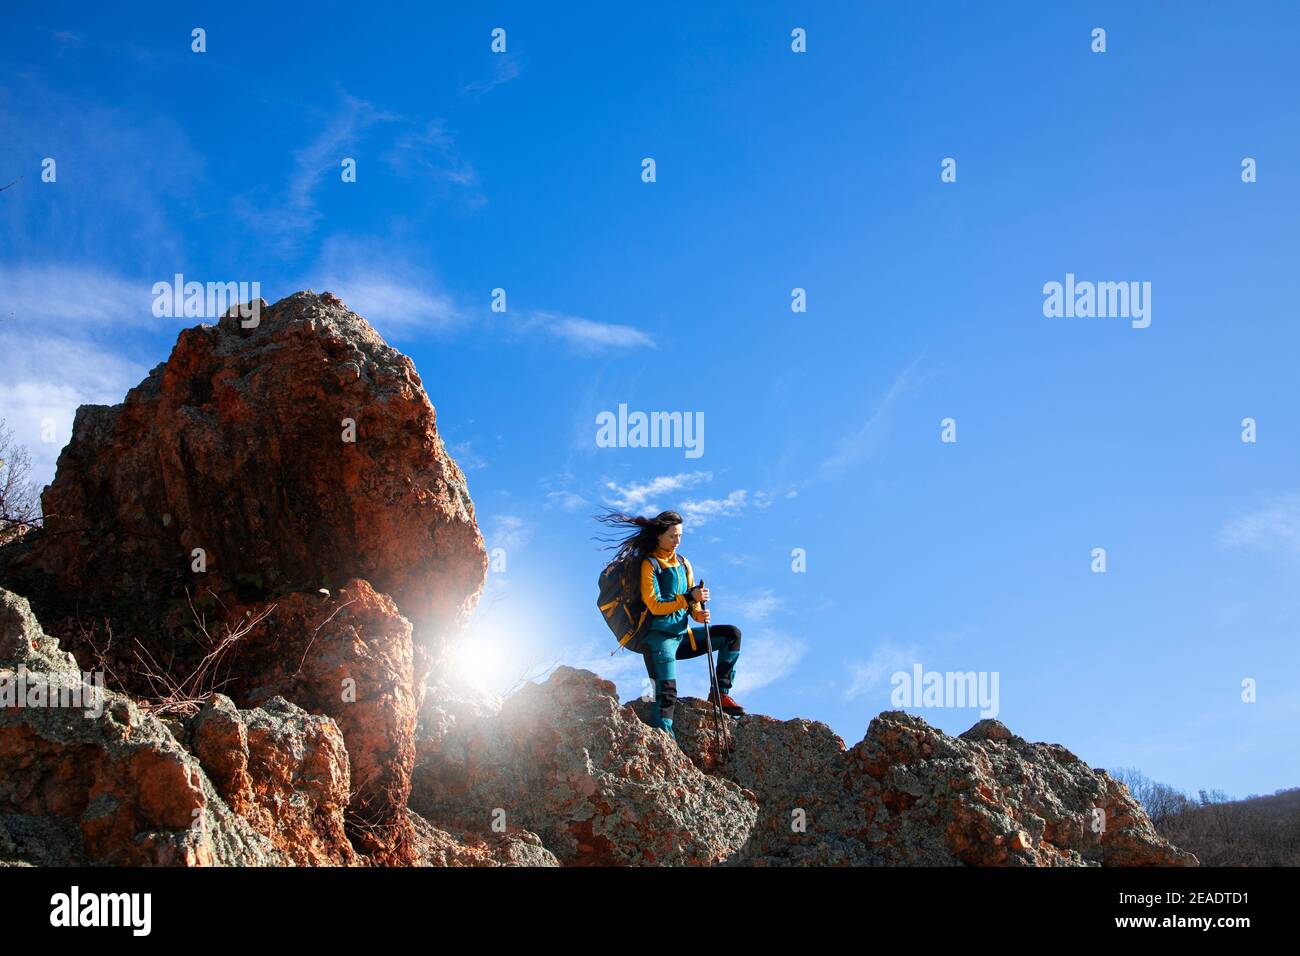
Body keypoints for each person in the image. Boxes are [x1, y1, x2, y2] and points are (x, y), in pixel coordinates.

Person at [596, 509, 744, 742]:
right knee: (666, 694)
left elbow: (691, 605)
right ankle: (665, 741)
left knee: (731, 636)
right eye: (672, 536)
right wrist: (689, 599)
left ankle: (719, 694)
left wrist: (698, 612)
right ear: (658, 536)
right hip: (657, 639)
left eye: (680, 536)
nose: (677, 541)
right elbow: (654, 605)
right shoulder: (649, 564)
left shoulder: (684, 563)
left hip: (682, 635)